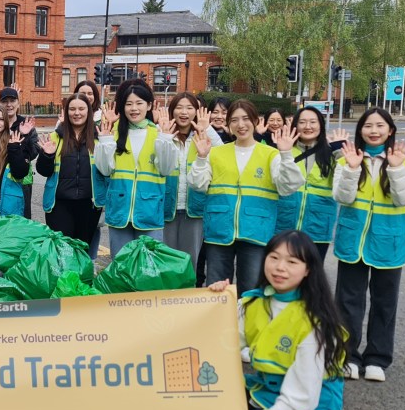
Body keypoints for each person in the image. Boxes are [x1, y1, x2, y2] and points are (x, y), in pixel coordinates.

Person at [207, 230, 346, 410]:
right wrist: (216, 301)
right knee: (211, 408)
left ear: (308, 270)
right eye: (274, 257)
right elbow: (219, 345)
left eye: (292, 262)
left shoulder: (315, 323)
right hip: (268, 393)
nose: (280, 268)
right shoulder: (256, 302)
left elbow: (303, 397)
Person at [332, 108, 405, 383]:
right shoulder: (348, 160)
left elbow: (404, 200)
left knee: (384, 304)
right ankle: (348, 357)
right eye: (368, 125)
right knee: (348, 302)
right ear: (361, 131)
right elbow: (342, 198)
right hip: (352, 243)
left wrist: (394, 168)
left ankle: (378, 359)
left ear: (390, 130)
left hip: (388, 244)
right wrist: (352, 169)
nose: (374, 130)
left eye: (380, 125)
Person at [188, 100, 304, 295]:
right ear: (228, 125)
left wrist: (285, 155)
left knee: (251, 289)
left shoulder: (271, 154)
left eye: (245, 119)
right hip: (219, 230)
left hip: (256, 232)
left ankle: (248, 326)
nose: (240, 125)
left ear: (255, 120)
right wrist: (201, 158)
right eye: (234, 120)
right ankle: (221, 326)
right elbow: (197, 184)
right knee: (217, 289)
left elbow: (289, 186)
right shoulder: (215, 153)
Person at [94, 80, 178, 257]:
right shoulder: (113, 132)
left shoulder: (159, 133)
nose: (134, 108)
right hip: (120, 211)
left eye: (139, 103)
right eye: (129, 104)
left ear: (149, 106)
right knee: (121, 266)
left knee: (148, 269)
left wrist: (164, 139)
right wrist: (106, 140)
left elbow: (165, 169)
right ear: (123, 107)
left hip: (150, 211)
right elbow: (104, 170)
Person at [37, 93, 108, 249]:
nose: (77, 113)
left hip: (89, 205)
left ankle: (80, 275)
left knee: (82, 251)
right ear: (66, 112)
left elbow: (107, 170)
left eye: (81, 109)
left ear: (89, 111)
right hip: (59, 205)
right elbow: (43, 171)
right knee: (61, 250)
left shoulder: (98, 138)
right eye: (72, 109)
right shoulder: (55, 136)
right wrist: (47, 156)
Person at [276, 107, 346, 258]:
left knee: (313, 275)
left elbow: (347, 183)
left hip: (318, 226)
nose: (308, 126)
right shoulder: (284, 150)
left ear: (321, 125)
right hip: (284, 224)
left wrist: (341, 154)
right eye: (302, 122)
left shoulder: (331, 153)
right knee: (282, 273)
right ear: (295, 125)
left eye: (313, 122)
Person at [162, 93, 222, 270]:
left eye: (189, 108)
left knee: (189, 263)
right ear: (172, 111)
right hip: (167, 208)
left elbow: (221, 152)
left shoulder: (202, 138)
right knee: (165, 263)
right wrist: (164, 136)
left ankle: (186, 297)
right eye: (179, 107)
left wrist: (206, 129)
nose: (184, 112)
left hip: (194, 209)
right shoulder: (164, 135)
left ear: (196, 112)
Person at [0, 87, 40, 219]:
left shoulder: (25, 124)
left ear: (18, 103)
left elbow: (34, 150)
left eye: (12, 100)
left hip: (22, 180)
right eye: (5, 101)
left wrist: (23, 138)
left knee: (22, 216)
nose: (9, 105)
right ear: (0, 104)